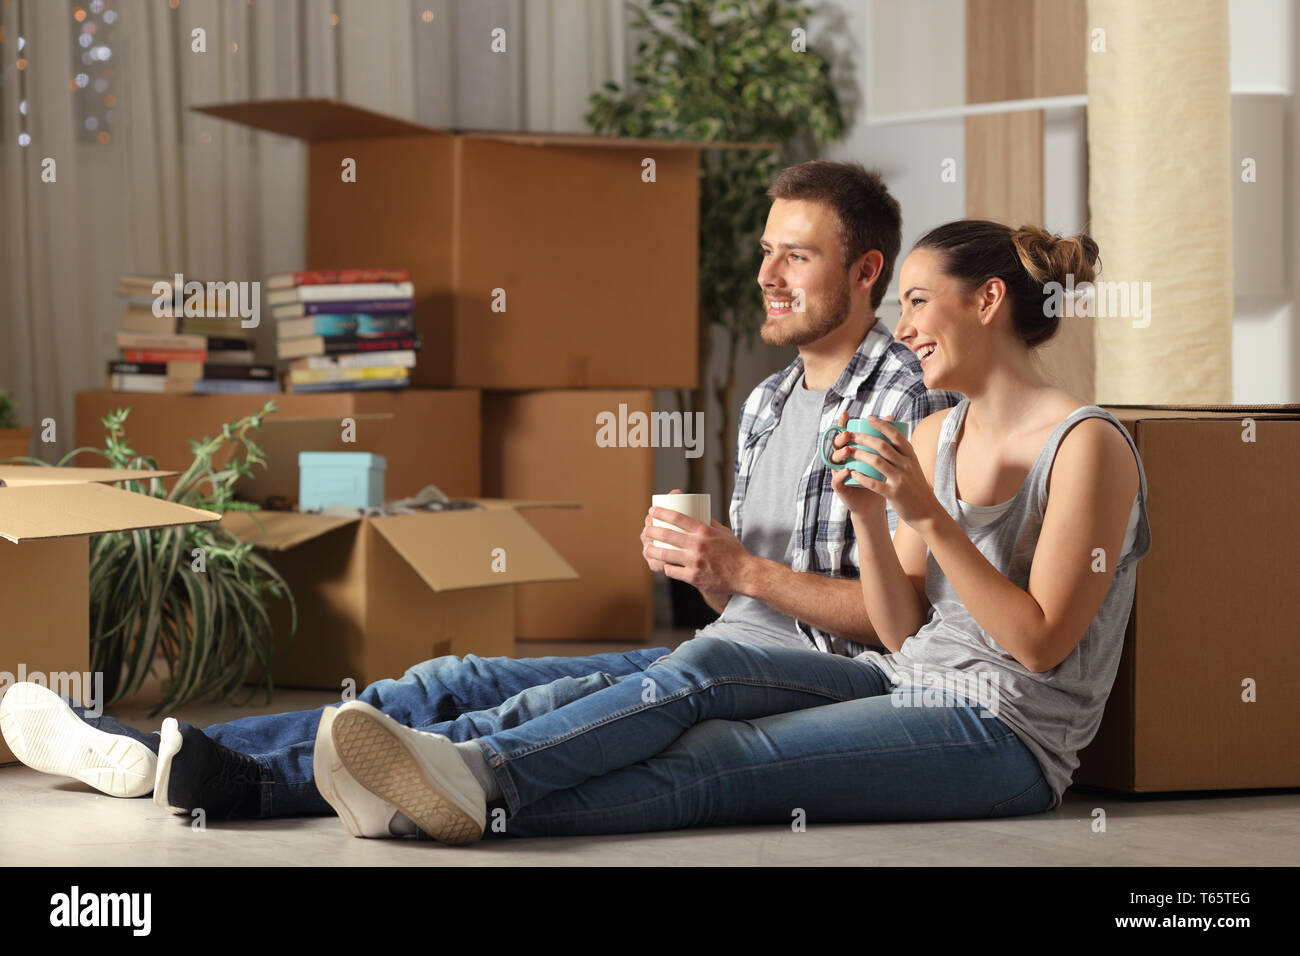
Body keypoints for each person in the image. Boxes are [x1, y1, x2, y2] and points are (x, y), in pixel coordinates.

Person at [0, 160, 958, 833]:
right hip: (732, 643)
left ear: (866, 271)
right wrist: (706, 573)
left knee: (493, 717)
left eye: (797, 256)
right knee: (437, 684)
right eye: (766, 251)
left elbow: (894, 626)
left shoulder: (908, 397)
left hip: (823, 675)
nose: (766, 276)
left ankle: (233, 778)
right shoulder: (766, 400)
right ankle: (171, 753)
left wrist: (742, 571)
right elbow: (749, 597)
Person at [305, 218, 1152, 844]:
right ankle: (457, 782)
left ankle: (472, 792)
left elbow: (1039, 644)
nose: (904, 328)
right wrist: (866, 512)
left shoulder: (1088, 447)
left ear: (990, 300)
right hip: (907, 679)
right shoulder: (940, 435)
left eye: (920, 302)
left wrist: (926, 514)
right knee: (710, 663)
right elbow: (904, 630)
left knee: (722, 761)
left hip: (1004, 737)